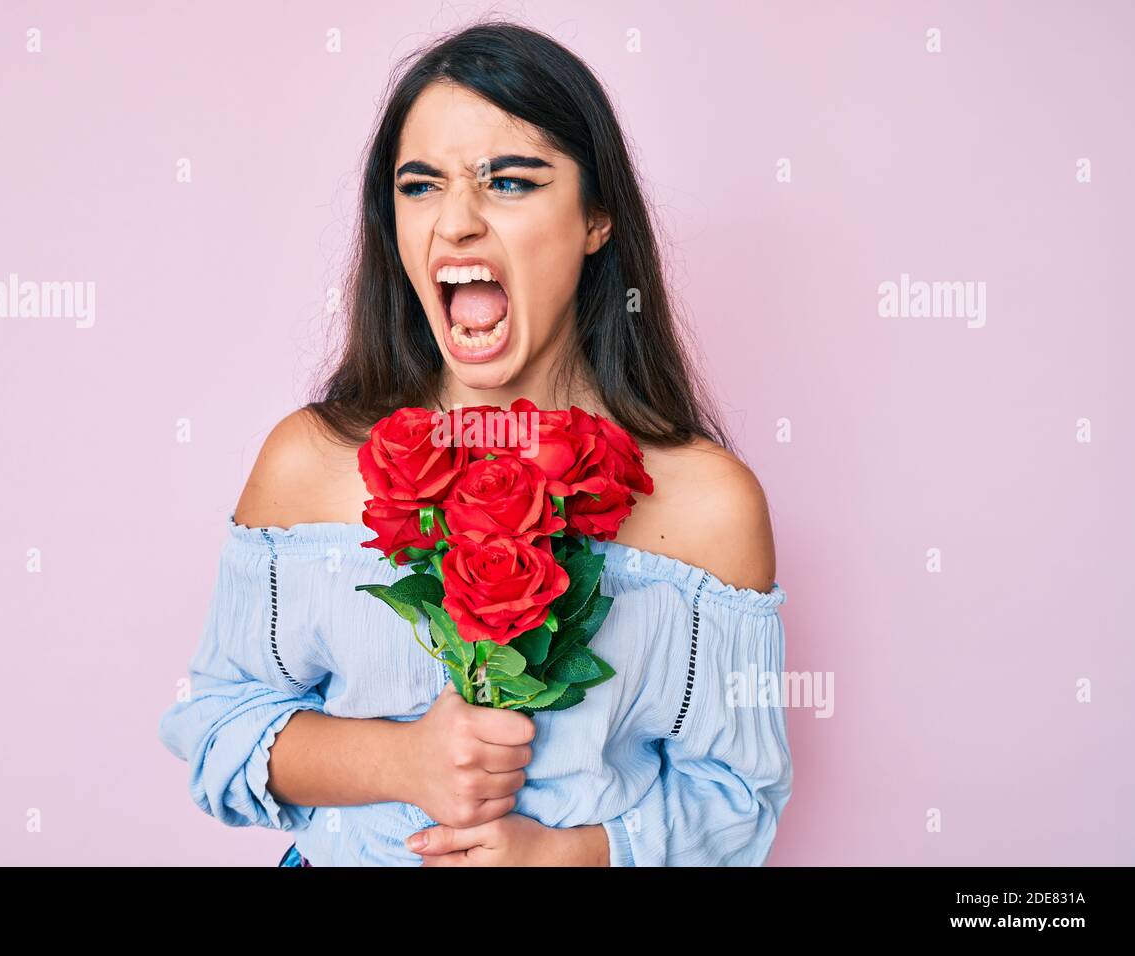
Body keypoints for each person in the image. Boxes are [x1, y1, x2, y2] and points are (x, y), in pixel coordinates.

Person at [158, 20, 791, 866]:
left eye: (509, 182)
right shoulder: (309, 464)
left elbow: (739, 802)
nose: (454, 222)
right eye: (420, 186)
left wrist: (569, 856)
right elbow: (217, 728)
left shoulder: (710, 506)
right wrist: (404, 760)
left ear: (597, 217)